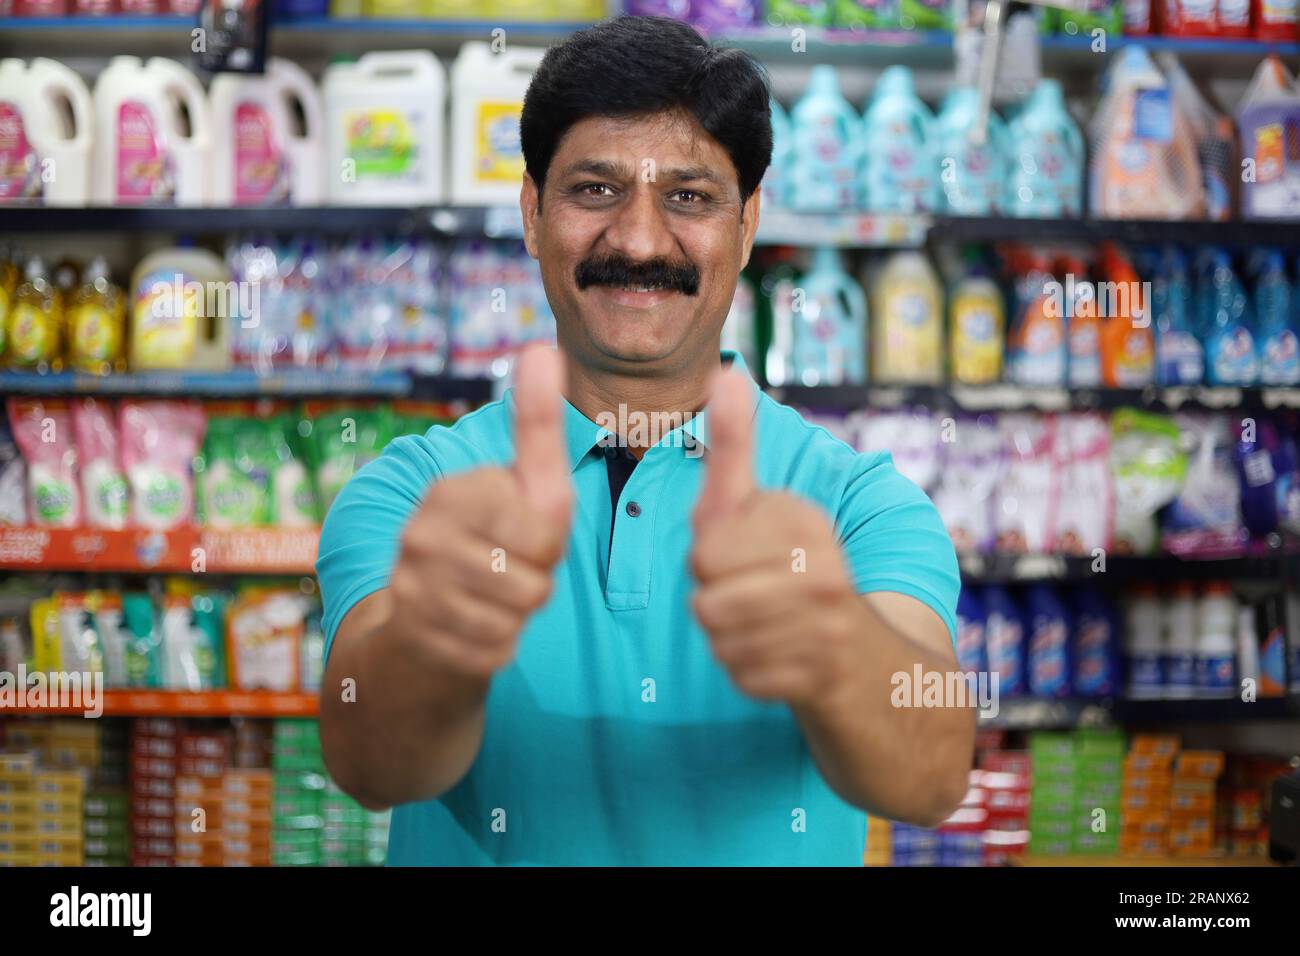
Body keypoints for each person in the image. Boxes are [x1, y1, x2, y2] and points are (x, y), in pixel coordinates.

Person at [317, 15, 973, 866]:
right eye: (595, 188)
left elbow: (929, 775)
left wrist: (832, 645)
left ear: (747, 225)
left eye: (689, 198)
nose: (636, 239)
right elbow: (369, 763)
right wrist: (430, 643)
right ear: (532, 211)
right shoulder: (413, 495)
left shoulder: (858, 506)